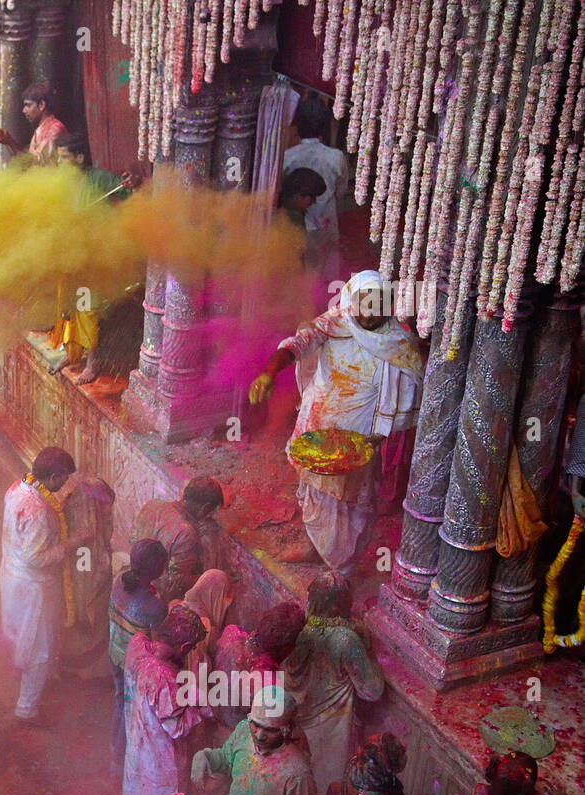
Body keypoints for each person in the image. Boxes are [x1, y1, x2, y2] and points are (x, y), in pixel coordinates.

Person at [249, 270, 424, 571]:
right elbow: (296, 345)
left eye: (376, 308)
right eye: (363, 306)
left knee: (350, 502)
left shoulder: (398, 343)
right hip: (318, 425)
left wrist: (380, 435)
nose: (368, 316)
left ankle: (341, 567)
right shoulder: (333, 324)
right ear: (350, 300)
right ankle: (312, 547)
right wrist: (269, 373)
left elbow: (406, 394)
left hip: (361, 438)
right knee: (314, 492)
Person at [0, 447, 87, 726]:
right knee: (40, 649)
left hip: (13, 576)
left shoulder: (18, 487)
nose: (65, 484)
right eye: (63, 478)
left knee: (23, 637)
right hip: (33, 586)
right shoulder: (37, 511)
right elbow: (36, 558)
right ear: (52, 476)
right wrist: (72, 544)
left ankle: (22, 674)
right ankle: (27, 711)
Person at [281, 571, 384, 792]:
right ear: (343, 605)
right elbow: (373, 690)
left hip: (295, 729)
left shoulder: (298, 627)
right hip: (329, 734)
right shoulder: (346, 639)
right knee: (327, 791)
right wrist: (365, 643)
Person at [192, 684, 315, 795]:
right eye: (255, 725)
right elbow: (227, 759)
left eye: (270, 729)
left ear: (286, 730)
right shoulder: (243, 732)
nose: (259, 735)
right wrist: (206, 756)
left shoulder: (296, 773)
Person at [123, 604, 207, 795]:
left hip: (137, 742)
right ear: (185, 647)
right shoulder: (164, 677)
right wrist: (198, 699)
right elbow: (177, 728)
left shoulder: (137, 644)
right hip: (160, 759)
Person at [108, 539, 169, 772]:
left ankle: (115, 754)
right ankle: (122, 763)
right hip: (132, 666)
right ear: (157, 571)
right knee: (130, 711)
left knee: (119, 703)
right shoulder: (155, 607)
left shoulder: (119, 583)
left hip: (114, 653)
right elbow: (158, 643)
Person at [283, 95, 349, 282]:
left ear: (299, 126)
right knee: (327, 271)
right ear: (324, 127)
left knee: (300, 270)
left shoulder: (288, 157)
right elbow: (341, 192)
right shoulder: (336, 157)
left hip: (296, 225)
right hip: (326, 223)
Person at [129, 476, 225, 601]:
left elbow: (132, 538)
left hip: (131, 579)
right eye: (210, 513)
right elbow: (177, 582)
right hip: (152, 596)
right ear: (205, 508)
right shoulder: (187, 534)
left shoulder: (153, 504)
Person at [212, 601, 305, 727]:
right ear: (286, 647)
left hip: (215, 710)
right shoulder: (269, 684)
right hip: (236, 726)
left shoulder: (231, 634)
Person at [59, 476, 115, 679]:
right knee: (90, 622)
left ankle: (69, 667)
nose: (108, 512)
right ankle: (89, 674)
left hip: (74, 574)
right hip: (87, 585)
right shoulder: (93, 549)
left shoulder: (71, 508)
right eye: (105, 507)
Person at [0, 84, 66, 165]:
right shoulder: (40, 130)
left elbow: (35, 166)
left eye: (28, 105)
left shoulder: (55, 129)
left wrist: (10, 142)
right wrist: (8, 142)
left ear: (41, 105)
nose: (24, 111)